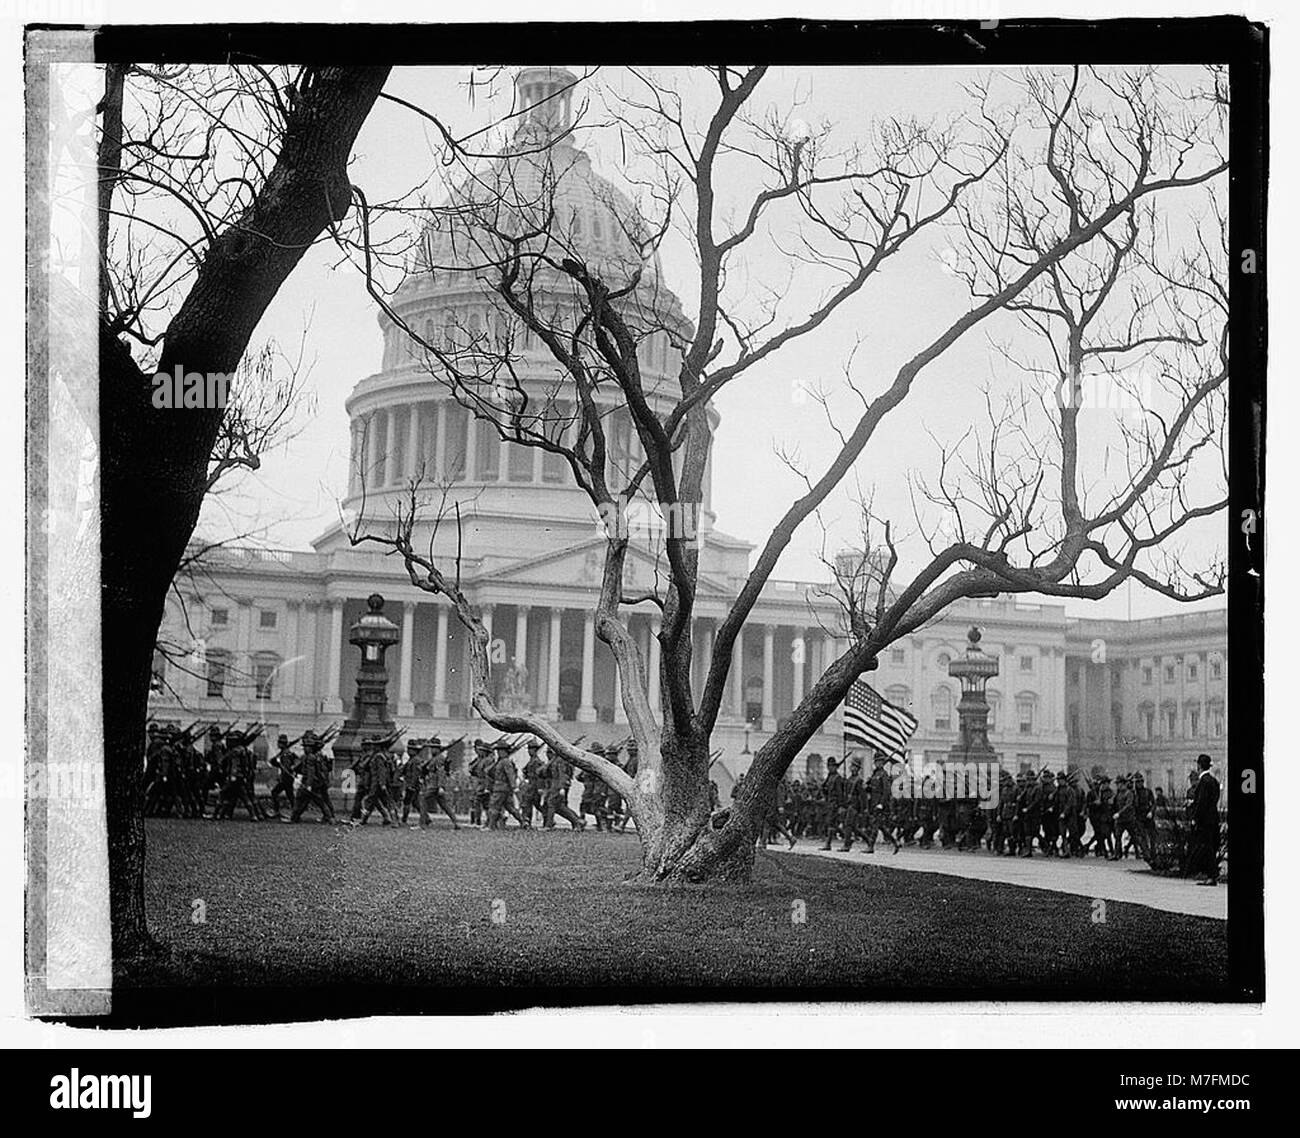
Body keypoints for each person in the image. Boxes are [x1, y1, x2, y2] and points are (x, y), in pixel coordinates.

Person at [1188, 753, 1222, 886]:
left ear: (1199, 766)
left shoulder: (1203, 781)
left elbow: (1202, 802)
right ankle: (1211, 875)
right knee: (1211, 847)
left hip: (1205, 821)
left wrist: (1195, 818)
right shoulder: (1213, 781)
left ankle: (1211, 876)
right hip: (1213, 818)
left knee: (1206, 847)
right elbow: (1213, 799)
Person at [289, 731, 336, 823]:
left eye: (307, 747)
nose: (305, 748)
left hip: (310, 782)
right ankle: (295, 817)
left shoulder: (310, 757)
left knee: (303, 799)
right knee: (309, 800)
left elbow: (311, 772)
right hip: (316, 782)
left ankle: (329, 817)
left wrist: (308, 785)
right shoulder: (315, 756)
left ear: (311, 748)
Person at [417, 737, 460, 829]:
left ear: (438, 749)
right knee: (444, 805)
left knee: (423, 799)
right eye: (431, 747)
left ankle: (422, 823)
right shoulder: (434, 758)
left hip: (435, 784)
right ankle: (456, 823)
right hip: (434, 783)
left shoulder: (439, 758)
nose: (432, 749)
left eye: (434, 748)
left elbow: (441, 772)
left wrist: (440, 787)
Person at [542, 743, 584, 830]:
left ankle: (548, 826)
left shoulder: (561, 760)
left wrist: (561, 788)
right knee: (560, 807)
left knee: (552, 804)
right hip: (554, 785)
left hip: (558, 786)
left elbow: (563, 775)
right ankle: (578, 821)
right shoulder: (555, 759)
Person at [487, 738, 524, 830]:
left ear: (504, 751)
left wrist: (514, 787)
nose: (498, 752)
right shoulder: (501, 761)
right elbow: (489, 772)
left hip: (501, 788)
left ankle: (491, 826)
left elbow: (510, 775)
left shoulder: (505, 762)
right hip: (503, 788)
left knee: (494, 806)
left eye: (500, 750)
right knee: (510, 808)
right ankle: (524, 822)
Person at [820, 758, 849, 851]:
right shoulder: (830, 777)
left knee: (831, 822)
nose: (830, 768)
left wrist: (841, 805)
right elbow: (824, 788)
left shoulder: (837, 778)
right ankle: (847, 839)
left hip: (835, 803)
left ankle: (829, 843)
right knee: (831, 823)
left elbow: (840, 793)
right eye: (829, 766)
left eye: (832, 766)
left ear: (835, 767)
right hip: (830, 802)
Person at [518, 739, 547, 828]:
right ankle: (527, 822)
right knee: (530, 804)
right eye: (529, 749)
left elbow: (540, 776)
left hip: (534, 786)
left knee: (531, 804)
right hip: (530, 785)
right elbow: (525, 771)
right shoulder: (531, 761)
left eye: (531, 749)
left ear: (535, 750)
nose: (529, 751)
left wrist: (540, 788)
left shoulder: (537, 762)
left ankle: (547, 819)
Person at [269, 734, 300, 819]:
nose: (278, 744)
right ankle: (295, 813)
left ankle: (279, 811)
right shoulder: (286, 753)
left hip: (286, 778)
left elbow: (285, 767)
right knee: (290, 796)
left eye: (279, 743)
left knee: (276, 793)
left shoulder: (285, 754)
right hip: (287, 778)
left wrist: (282, 776)